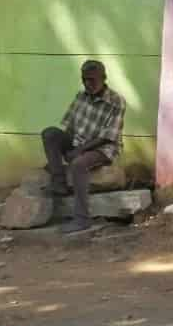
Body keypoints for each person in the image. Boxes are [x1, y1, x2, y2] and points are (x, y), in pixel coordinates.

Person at [42, 60, 126, 233]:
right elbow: (70, 127)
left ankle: (82, 219)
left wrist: (78, 151)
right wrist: (68, 146)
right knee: (50, 133)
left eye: (92, 80)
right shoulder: (81, 96)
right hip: (78, 143)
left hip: (103, 149)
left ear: (103, 78)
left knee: (79, 164)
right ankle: (59, 182)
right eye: (84, 80)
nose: (88, 84)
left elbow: (107, 137)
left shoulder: (116, 101)